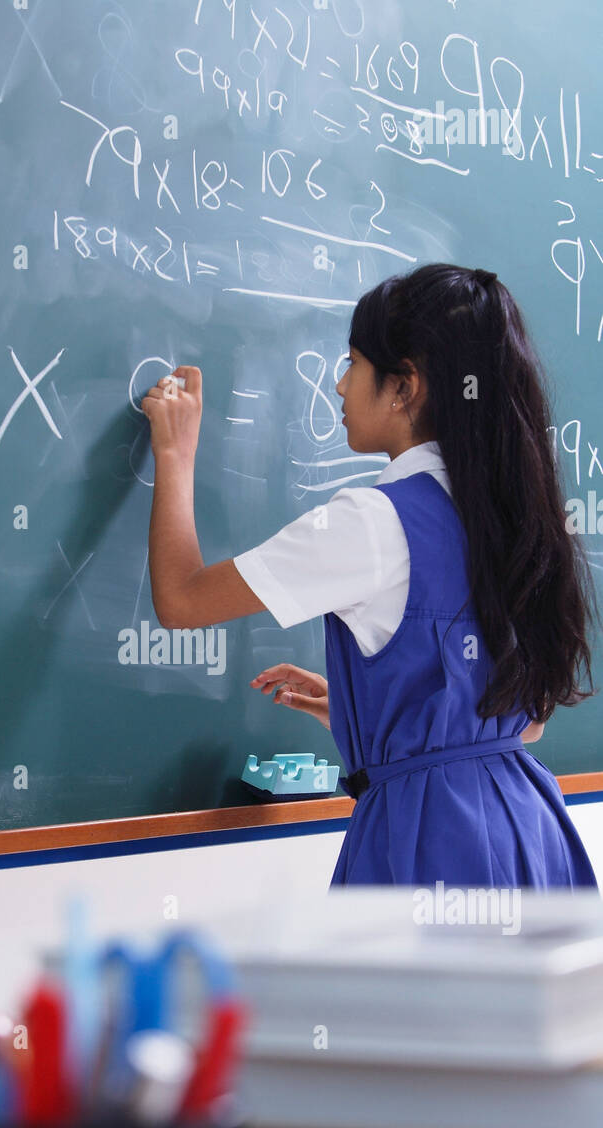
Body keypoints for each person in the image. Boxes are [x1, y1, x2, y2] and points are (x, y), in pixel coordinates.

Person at [142, 263, 599, 888]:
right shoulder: (514, 512)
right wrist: (369, 715)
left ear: (404, 386)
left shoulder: (371, 522)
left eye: (353, 362)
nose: (338, 384)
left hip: (432, 841)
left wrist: (176, 452)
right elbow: (527, 719)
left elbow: (180, 599)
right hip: (531, 835)